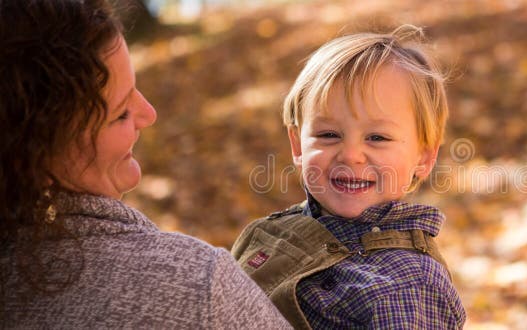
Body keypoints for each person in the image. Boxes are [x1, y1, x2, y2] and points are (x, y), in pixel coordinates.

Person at [0, 0, 290, 328]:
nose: (148, 114)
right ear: (35, 150)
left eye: (136, 91)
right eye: (120, 114)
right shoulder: (195, 286)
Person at [231, 25, 466, 329]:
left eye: (377, 137)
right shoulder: (278, 232)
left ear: (424, 157)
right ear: (297, 145)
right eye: (329, 135)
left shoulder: (407, 285)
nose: (350, 154)